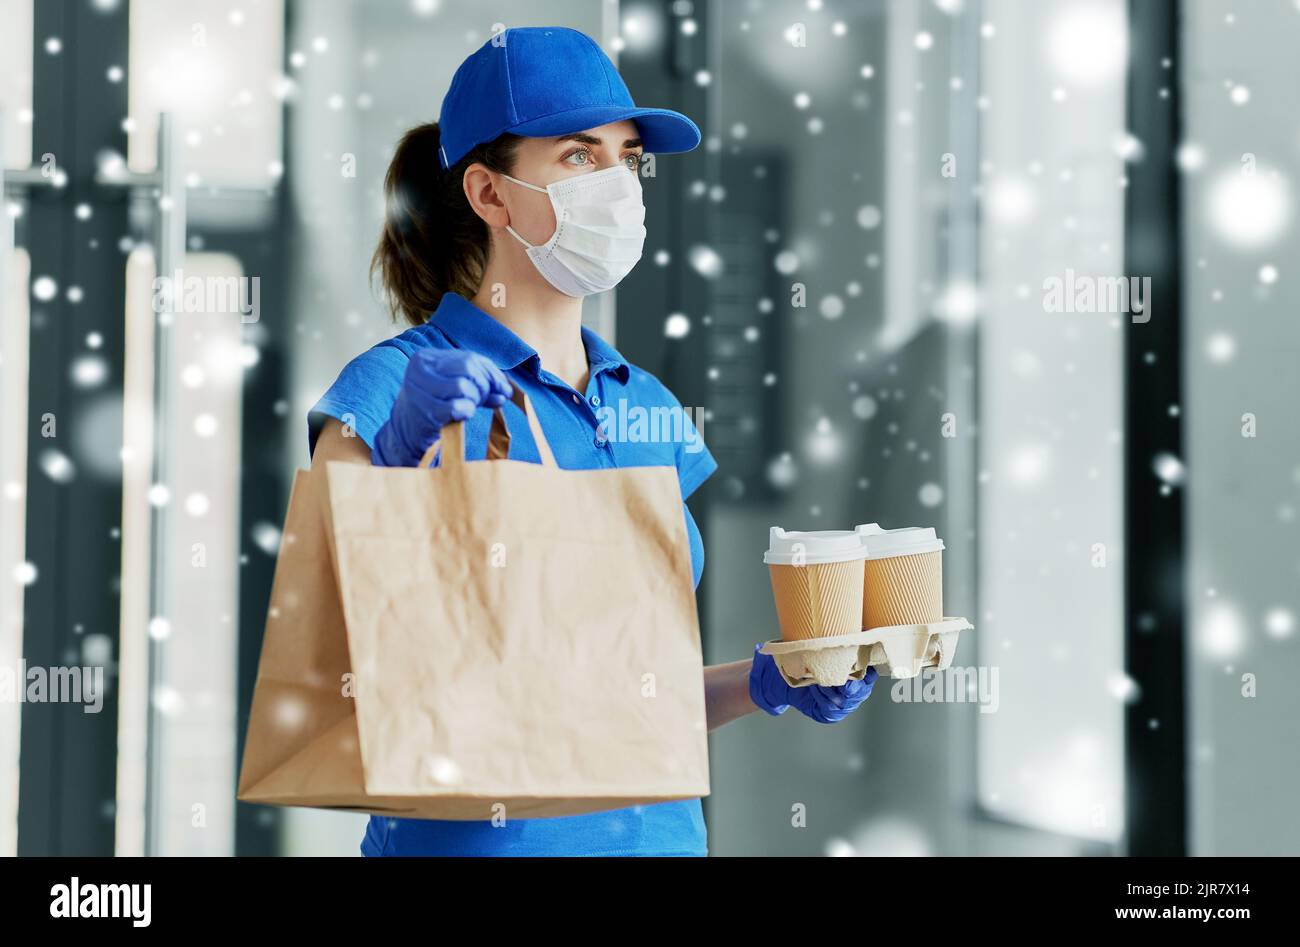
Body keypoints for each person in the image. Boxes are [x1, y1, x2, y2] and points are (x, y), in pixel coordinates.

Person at [307, 26, 877, 857]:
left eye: (628, 158)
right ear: (489, 194)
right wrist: (395, 461)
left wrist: (766, 682)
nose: (617, 184)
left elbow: (616, 702)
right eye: (580, 155)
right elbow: (327, 626)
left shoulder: (644, 405)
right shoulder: (397, 383)